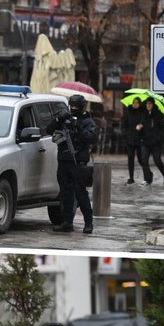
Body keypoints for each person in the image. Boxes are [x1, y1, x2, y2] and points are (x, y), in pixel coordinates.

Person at [46, 94, 99, 234]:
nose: (74, 108)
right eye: (72, 106)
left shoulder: (87, 121)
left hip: (78, 162)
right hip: (63, 161)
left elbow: (92, 137)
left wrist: (78, 128)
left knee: (81, 193)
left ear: (81, 106)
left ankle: (88, 223)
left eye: (76, 106)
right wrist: (58, 119)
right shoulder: (65, 118)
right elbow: (49, 130)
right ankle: (67, 222)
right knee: (65, 194)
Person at [140, 98, 164, 186]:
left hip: (156, 143)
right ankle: (147, 179)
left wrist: (159, 139)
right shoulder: (144, 115)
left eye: (150, 104)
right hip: (146, 142)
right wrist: (140, 128)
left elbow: (163, 129)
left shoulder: (159, 115)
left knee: (157, 160)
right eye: (147, 104)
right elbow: (142, 126)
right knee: (144, 160)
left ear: (153, 105)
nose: (148, 105)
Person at [121, 96, 149, 185]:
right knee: (130, 158)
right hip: (130, 138)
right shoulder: (128, 111)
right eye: (134, 102)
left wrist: (141, 126)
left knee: (141, 159)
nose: (135, 104)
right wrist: (125, 133)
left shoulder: (143, 113)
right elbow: (124, 124)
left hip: (140, 139)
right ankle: (131, 178)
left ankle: (148, 176)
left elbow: (146, 124)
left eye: (137, 103)